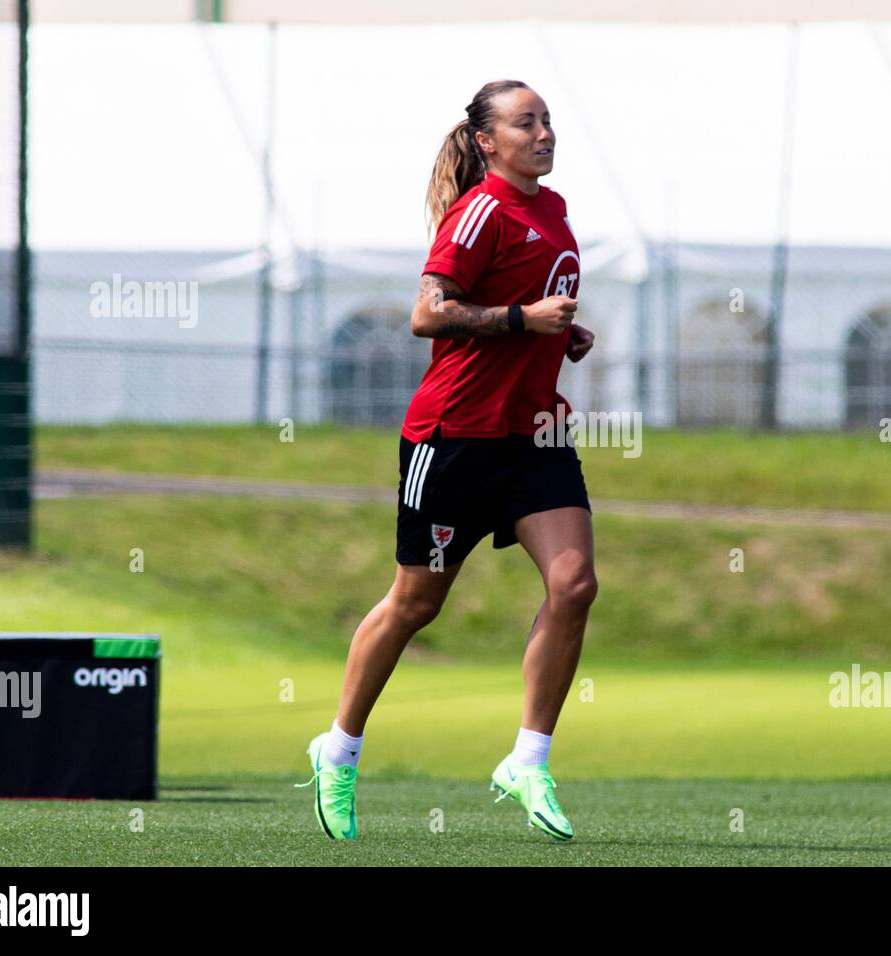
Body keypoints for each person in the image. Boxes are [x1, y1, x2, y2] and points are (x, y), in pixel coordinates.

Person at [299, 79, 597, 842]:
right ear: (488, 142)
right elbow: (427, 313)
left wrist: (560, 333)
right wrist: (519, 320)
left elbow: (529, 308)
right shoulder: (480, 212)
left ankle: (528, 760)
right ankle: (339, 749)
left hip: (532, 434)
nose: (543, 132)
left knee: (575, 583)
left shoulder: (554, 210)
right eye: (524, 123)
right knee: (415, 605)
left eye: (547, 119)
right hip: (454, 437)